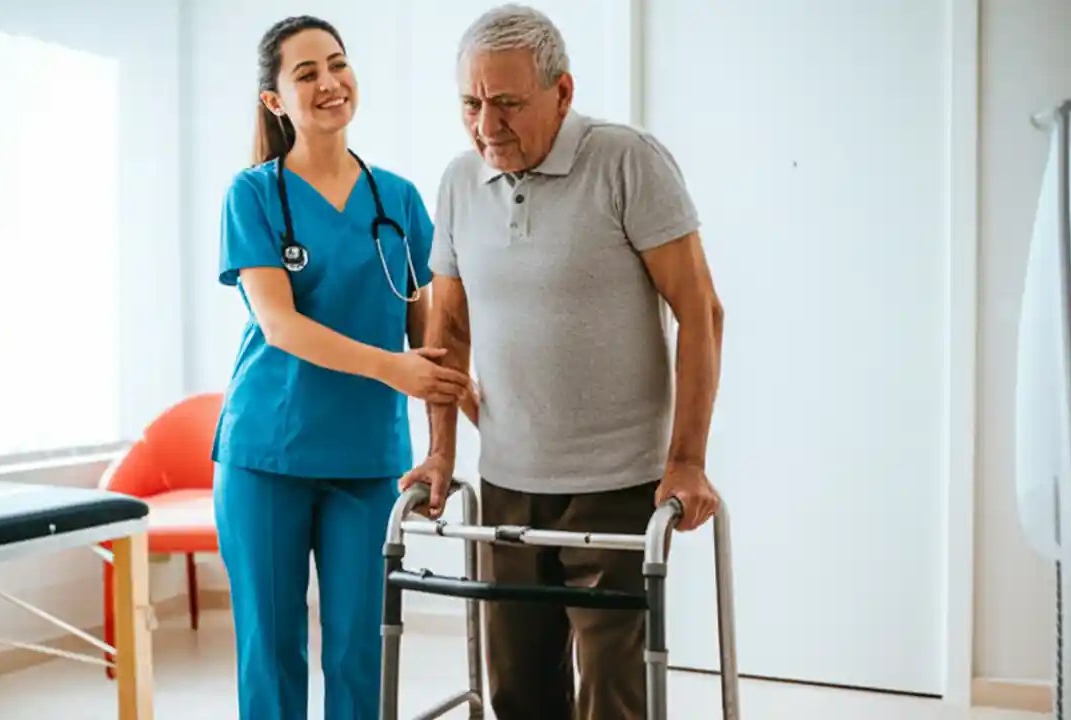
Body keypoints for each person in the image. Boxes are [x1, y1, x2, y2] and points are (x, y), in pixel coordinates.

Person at [398, 4, 725, 719]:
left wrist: (688, 459)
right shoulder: (459, 180)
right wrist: (440, 454)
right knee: (518, 695)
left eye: (509, 103)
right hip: (507, 481)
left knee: (611, 695)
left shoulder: (625, 160)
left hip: (616, 483)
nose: (488, 126)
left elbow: (700, 312)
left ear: (563, 92)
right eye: (471, 104)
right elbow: (448, 330)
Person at [210, 15, 472, 720]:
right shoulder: (254, 194)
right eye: (306, 73)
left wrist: (471, 404)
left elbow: (434, 334)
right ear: (275, 101)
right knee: (271, 651)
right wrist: (395, 369)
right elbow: (280, 323)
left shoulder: (398, 200)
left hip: (364, 457)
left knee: (361, 650)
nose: (330, 83)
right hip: (269, 450)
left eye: (338, 64)